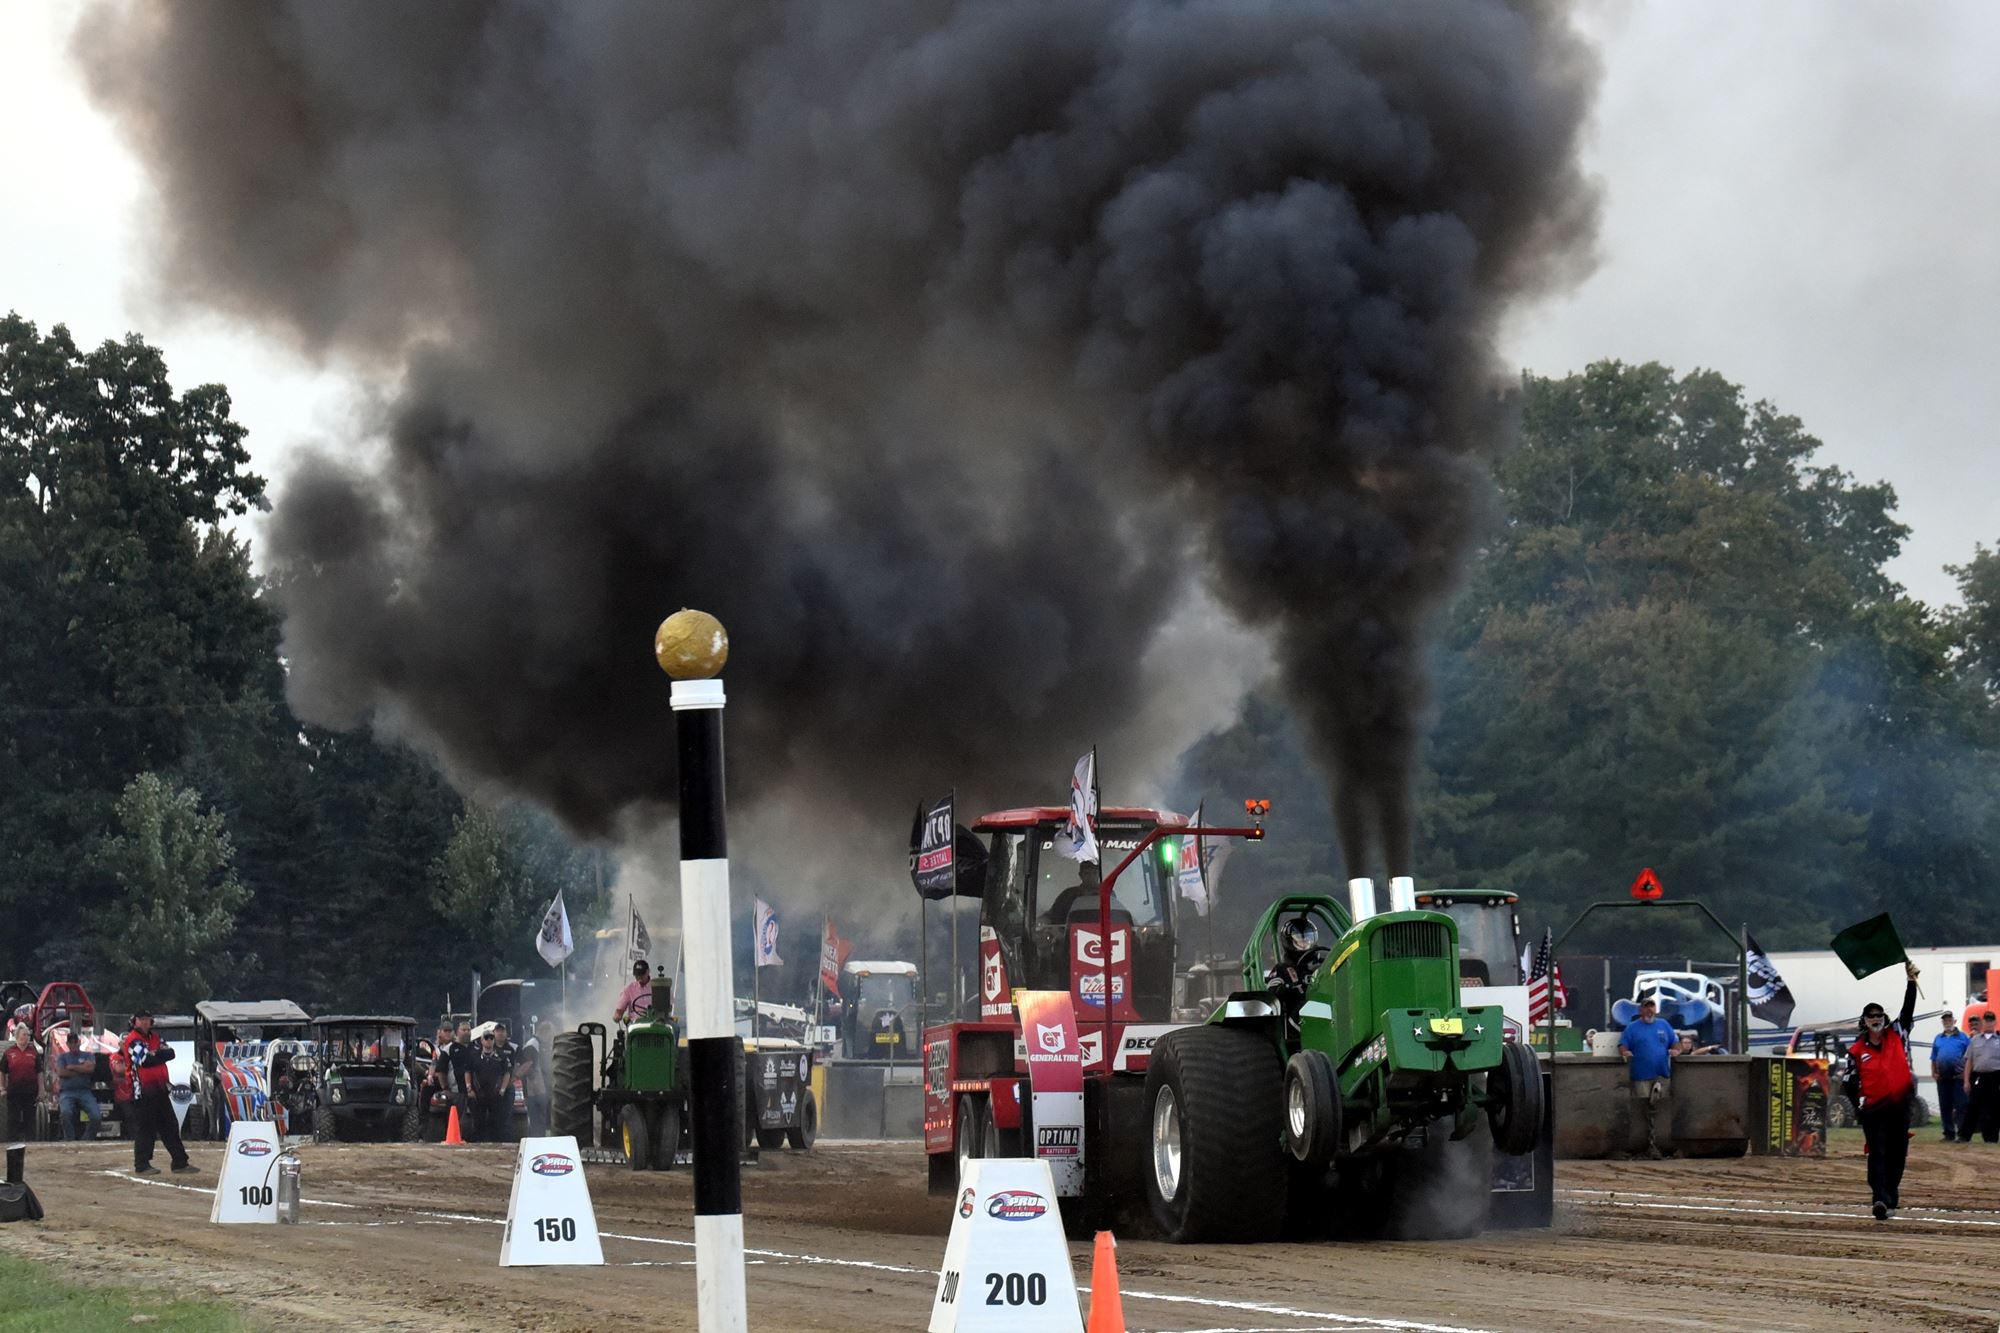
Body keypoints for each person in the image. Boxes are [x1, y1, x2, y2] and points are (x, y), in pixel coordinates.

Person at [1850, 962, 1920, 1218]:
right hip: (1873, 1110)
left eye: (1880, 1015)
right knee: (1877, 1152)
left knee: (1897, 1152)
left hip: (1900, 1106)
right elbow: (1849, 1081)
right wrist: (1858, 1106)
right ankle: (1879, 1198)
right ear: (1865, 1021)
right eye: (1872, 1016)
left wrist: (1911, 982)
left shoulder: (1897, 1034)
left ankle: (1890, 1193)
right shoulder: (1857, 1050)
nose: (1876, 1019)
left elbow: (1908, 1011)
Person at [121, 1010, 195, 1175]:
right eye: (141, 1019)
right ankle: (141, 1164)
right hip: (142, 1091)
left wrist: (156, 1054)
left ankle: (180, 1162)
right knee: (146, 1128)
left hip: (160, 1088)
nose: (145, 1022)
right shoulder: (132, 1039)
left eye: (147, 1019)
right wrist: (158, 1054)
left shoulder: (155, 1037)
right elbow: (145, 1060)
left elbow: (171, 1053)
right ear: (135, 1021)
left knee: (170, 1125)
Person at [1619, 994, 1677, 1158]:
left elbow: (1675, 1042)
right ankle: (1643, 1145)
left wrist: (1676, 1050)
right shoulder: (1632, 1028)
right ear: (1641, 1010)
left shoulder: (1664, 1025)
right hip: (1640, 1076)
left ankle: (1661, 1143)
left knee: (1661, 1109)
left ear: (1656, 1009)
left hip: (1662, 1075)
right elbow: (1623, 1045)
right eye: (1646, 1007)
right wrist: (1625, 1052)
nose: (1649, 1009)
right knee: (1642, 1109)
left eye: (1651, 1006)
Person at [52, 1028, 101, 1140]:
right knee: (65, 1113)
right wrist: (81, 1069)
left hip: (85, 1091)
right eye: (71, 1042)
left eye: (75, 1042)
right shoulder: (62, 1057)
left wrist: (72, 1067)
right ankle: (70, 1139)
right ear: (68, 1044)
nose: (74, 1044)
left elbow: (90, 1069)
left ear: (79, 1042)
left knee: (96, 1116)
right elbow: (61, 1072)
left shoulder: (88, 1055)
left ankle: (87, 1139)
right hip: (67, 1092)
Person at [1931, 1009, 1971, 1142]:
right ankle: (1948, 1133)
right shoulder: (1938, 1038)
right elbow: (1934, 1057)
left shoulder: (1963, 1037)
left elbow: (1969, 1058)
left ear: (1954, 1021)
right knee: (1945, 1106)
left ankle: (1962, 1134)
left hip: (1958, 1078)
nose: (1947, 1022)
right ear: (1942, 1022)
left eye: (1949, 1019)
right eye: (1945, 1020)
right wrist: (1934, 1072)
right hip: (1943, 1078)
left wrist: (1966, 1076)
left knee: (1961, 1106)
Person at [1961, 1009, 2000, 1144]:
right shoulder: (1975, 1040)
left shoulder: (1999, 1040)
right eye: (1986, 1020)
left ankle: (1991, 1138)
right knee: (1973, 1106)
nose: (1988, 1023)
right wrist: (1966, 1081)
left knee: (1994, 1108)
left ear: (1995, 1022)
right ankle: (1964, 1136)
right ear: (1983, 1022)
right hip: (1979, 1076)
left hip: (1995, 1077)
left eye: (1991, 1020)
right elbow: (1969, 1062)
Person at [468, 1026, 512, 1143]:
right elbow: (468, 1072)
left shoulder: (501, 1055)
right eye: (486, 1038)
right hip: (479, 1093)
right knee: (478, 1121)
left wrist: (503, 1089)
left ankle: (496, 1142)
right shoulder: (474, 1055)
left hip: (495, 1094)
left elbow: (507, 1073)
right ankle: (478, 1142)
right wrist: (469, 1088)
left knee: (497, 1121)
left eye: (491, 1038)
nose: (489, 1040)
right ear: (481, 1040)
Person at [2, 1023, 41, 1139]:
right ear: (17, 1035)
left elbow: (40, 1073)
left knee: (31, 1119)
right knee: (13, 1119)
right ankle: (12, 1144)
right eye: (24, 1034)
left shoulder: (34, 1052)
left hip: (30, 1092)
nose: (27, 1036)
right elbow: (2, 1071)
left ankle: (31, 1145)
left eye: (28, 1035)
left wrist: (41, 1091)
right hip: (14, 1092)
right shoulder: (9, 1052)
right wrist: (2, 1087)